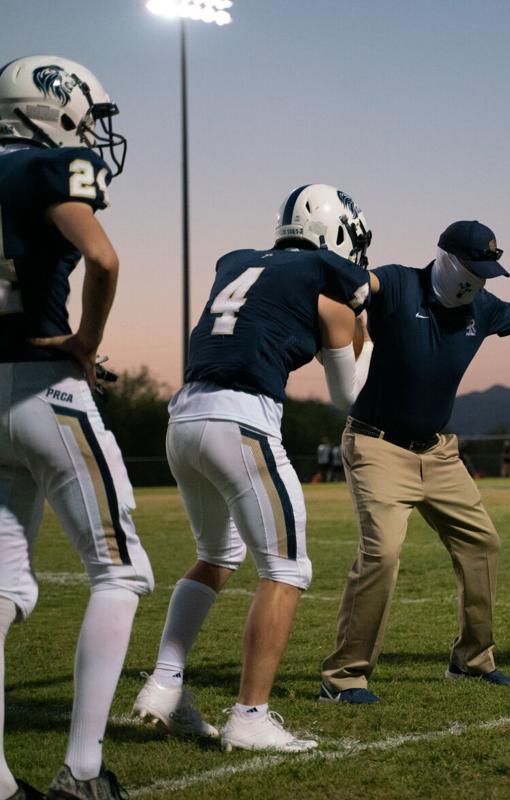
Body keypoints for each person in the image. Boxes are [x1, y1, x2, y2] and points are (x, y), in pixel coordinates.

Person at [318, 220, 510, 700]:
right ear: (445, 258)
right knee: (381, 554)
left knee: (483, 545)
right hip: (377, 447)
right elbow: (347, 287)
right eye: (472, 269)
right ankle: (345, 677)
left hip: (440, 453)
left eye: (486, 273)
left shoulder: (482, 308)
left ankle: (471, 660)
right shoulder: (398, 283)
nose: (477, 282)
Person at [131, 184, 373, 754]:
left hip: (184, 419)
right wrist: (366, 334)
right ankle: (250, 714)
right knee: (287, 568)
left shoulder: (239, 263)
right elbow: (348, 393)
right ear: (337, 235)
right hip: (240, 422)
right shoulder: (329, 288)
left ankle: (164, 686)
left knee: (218, 555)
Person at [0, 55, 154, 800]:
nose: (92, 130)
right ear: (52, 106)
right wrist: (85, 343)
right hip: (42, 387)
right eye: (87, 115)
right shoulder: (48, 165)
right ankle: (83, 774)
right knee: (120, 570)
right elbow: (101, 256)